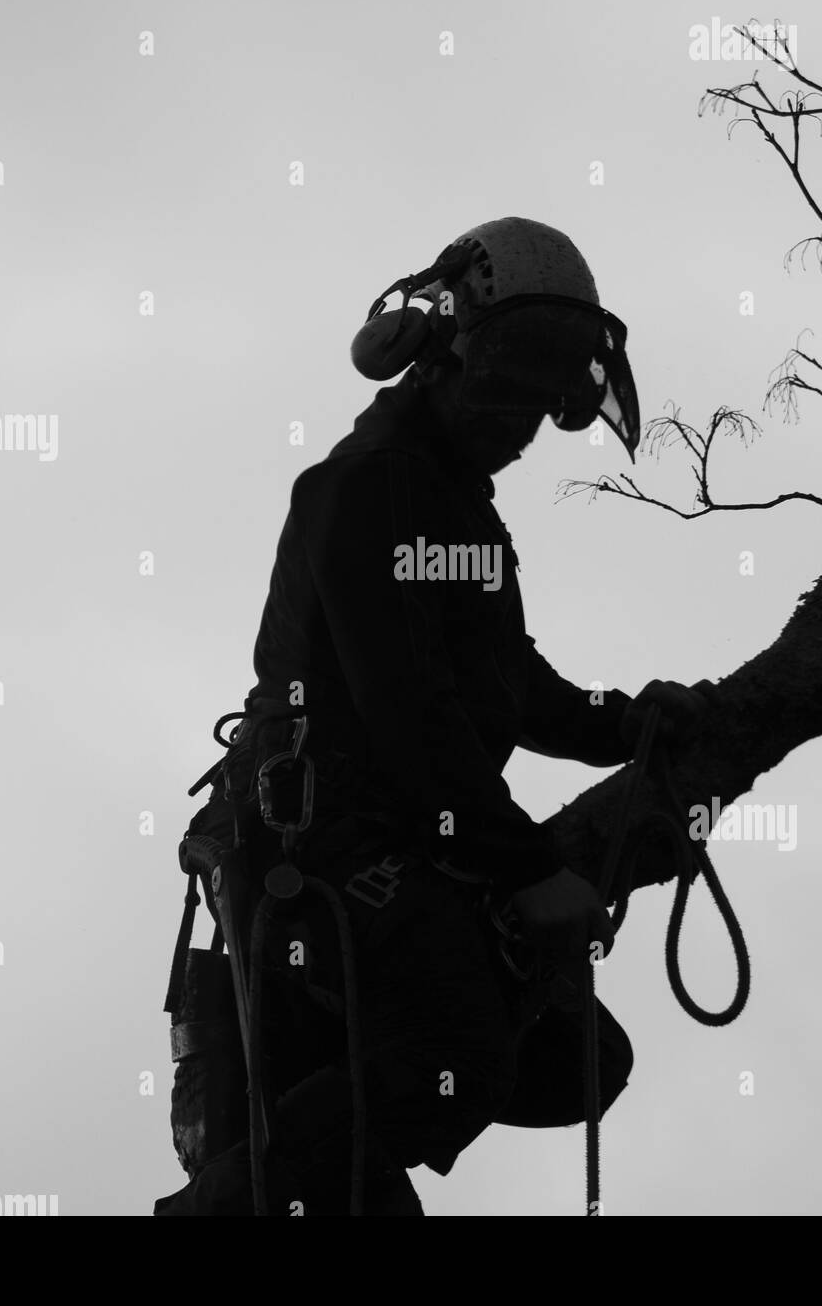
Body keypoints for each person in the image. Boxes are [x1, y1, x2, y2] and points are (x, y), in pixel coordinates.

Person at [154, 218, 713, 1216]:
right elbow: (406, 712)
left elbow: (514, 683)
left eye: (545, 396)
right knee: (462, 1053)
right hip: (324, 841)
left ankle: (344, 1126)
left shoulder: (463, 521)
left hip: (413, 845)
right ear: (440, 346)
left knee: (582, 1060)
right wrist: (528, 867)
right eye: (509, 379)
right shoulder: (361, 490)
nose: (523, 417)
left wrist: (626, 723)